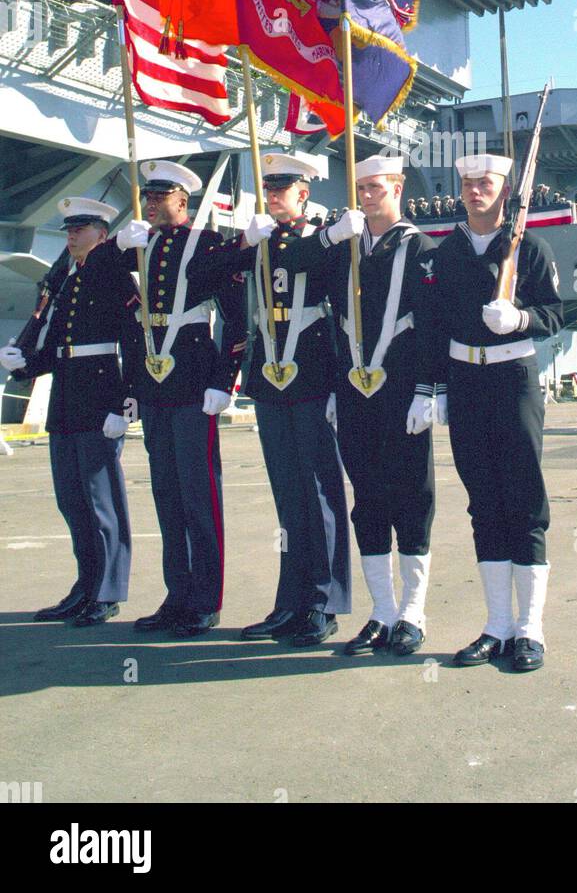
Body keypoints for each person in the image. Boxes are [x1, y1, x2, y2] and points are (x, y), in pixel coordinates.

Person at [278, 154, 439, 657]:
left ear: (398, 187)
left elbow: (433, 326)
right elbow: (292, 264)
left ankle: (413, 611)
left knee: (411, 498)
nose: (367, 196)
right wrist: (328, 236)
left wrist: (429, 390)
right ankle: (381, 611)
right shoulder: (345, 246)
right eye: (361, 188)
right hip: (352, 390)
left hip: (402, 386)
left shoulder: (421, 247)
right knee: (366, 500)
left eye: (377, 187)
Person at [430, 153, 563, 673]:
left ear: (504, 191)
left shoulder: (530, 247)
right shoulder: (448, 253)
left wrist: (521, 318)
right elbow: (435, 324)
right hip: (466, 382)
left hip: (514, 381)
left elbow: (556, 312)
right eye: (466, 184)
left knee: (524, 499)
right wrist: (436, 388)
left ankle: (531, 628)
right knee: (482, 501)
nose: (474, 191)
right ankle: (497, 624)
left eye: (484, 183)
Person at [215, 153, 351, 645]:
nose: (272, 197)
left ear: (304, 193)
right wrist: (244, 240)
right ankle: (289, 600)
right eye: (268, 189)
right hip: (270, 377)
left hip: (313, 372)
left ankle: (323, 601)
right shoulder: (261, 237)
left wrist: (341, 384)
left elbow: (318, 275)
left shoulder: (325, 237)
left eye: (282, 189)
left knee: (319, 492)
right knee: (288, 495)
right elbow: (211, 272)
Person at [114, 161, 248, 637]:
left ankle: (206, 600)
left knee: (198, 494)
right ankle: (178, 594)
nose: (151, 205)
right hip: (155, 385)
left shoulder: (209, 245)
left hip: (193, 377)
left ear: (183, 200)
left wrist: (224, 379)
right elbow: (97, 278)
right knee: (166, 493)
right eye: (147, 197)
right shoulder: (140, 244)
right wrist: (118, 245)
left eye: (160, 197)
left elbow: (236, 319)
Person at [0, 198, 136, 625]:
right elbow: (58, 346)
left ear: (101, 233)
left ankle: (107, 590)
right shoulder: (64, 281)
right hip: (66, 396)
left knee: (100, 499)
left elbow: (134, 339)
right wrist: (25, 363)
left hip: (100, 393)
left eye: (81, 228)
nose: (72, 235)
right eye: (69, 229)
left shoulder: (113, 274)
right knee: (72, 500)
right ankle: (85, 585)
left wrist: (124, 404)